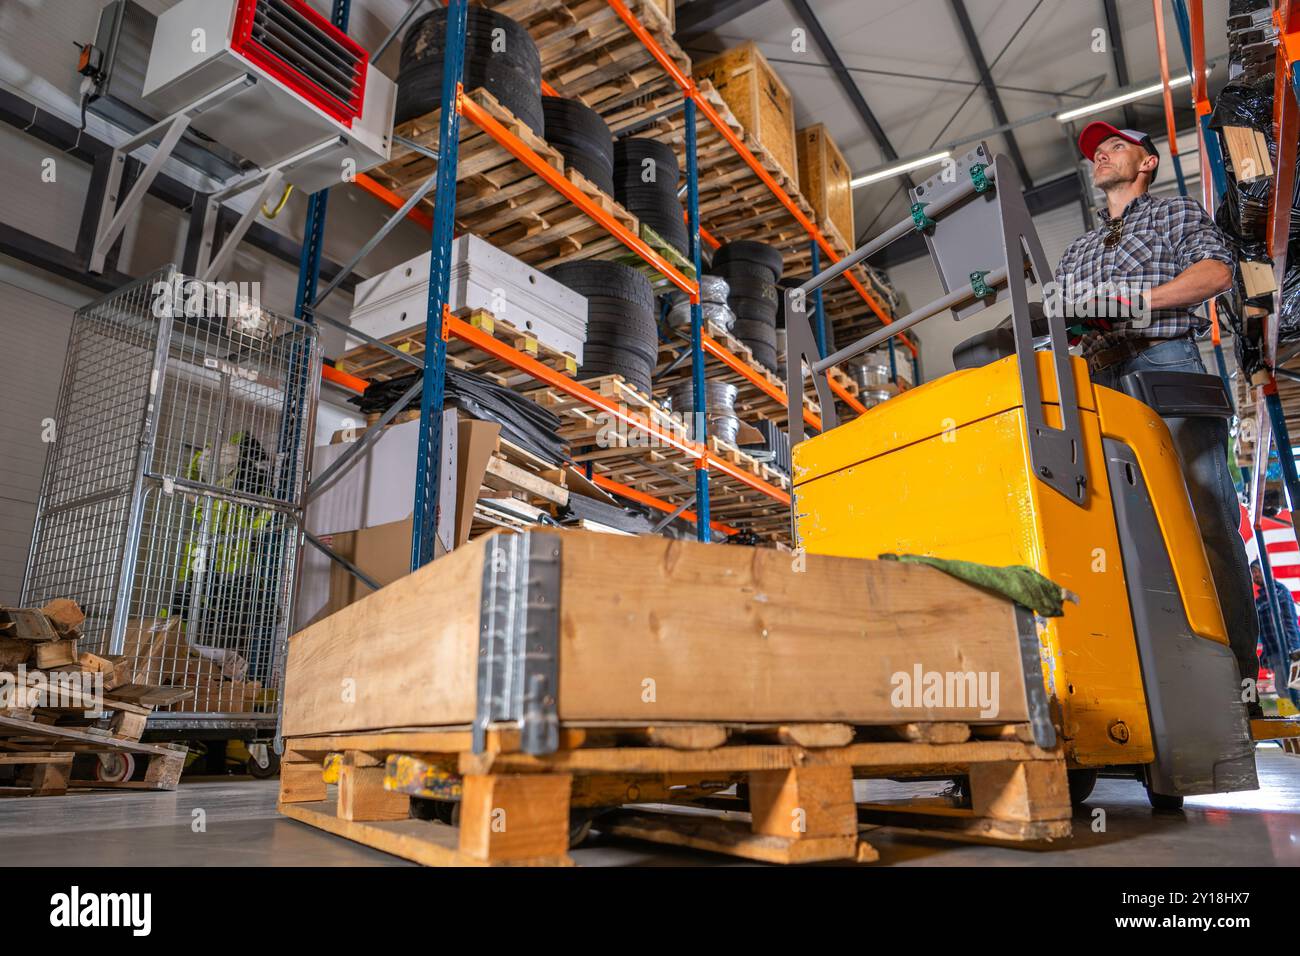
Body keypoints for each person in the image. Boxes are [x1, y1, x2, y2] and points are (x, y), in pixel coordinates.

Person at [1054, 121, 1258, 694]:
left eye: (1114, 146)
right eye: (1095, 151)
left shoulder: (1175, 214)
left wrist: (1136, 303)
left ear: (1145, 163)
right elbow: (1059, 319)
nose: (1100, 154)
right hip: (1098, 380)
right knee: (1118, 530)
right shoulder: (1079, 249)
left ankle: (1234, 680)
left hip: (1164, 362)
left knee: (1206, 513)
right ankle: (1143, 683)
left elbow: (1216, 272)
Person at [1250, 563, 1300, 709]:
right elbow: (1265, 632)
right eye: (1253, 573)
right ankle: (1292, 724)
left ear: (1266, 571)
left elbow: (1289, 620)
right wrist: (1266, 654)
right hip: (1275, 651)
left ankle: (1295, 721)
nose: (1255, 576)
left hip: (1288, 649)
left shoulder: (1279, 591)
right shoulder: (1260, 600)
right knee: (1282, 688)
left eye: (1256, 572)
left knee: (1294, 687)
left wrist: (1295, 647)